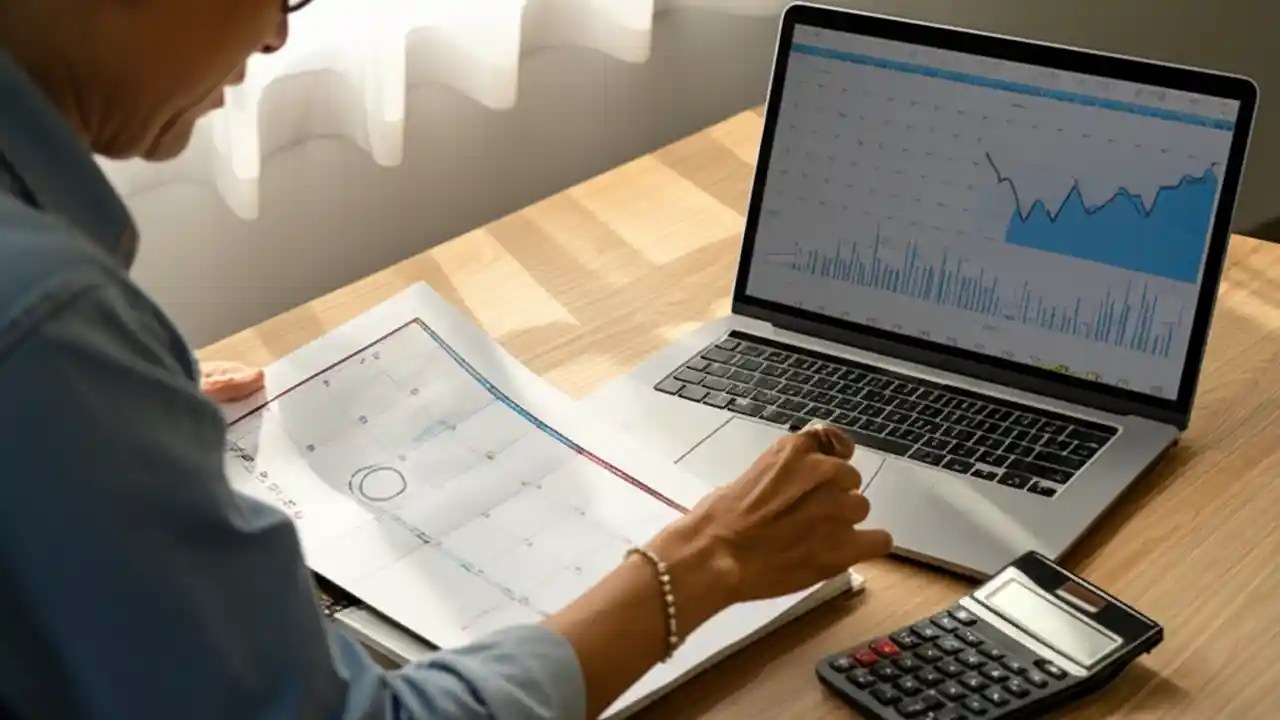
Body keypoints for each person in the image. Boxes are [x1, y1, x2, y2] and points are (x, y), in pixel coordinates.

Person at [0, 2, 893, 718]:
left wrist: (94, 421)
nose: (277, 32)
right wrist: (711, 559)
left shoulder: (50, 341)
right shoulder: (51, 331)